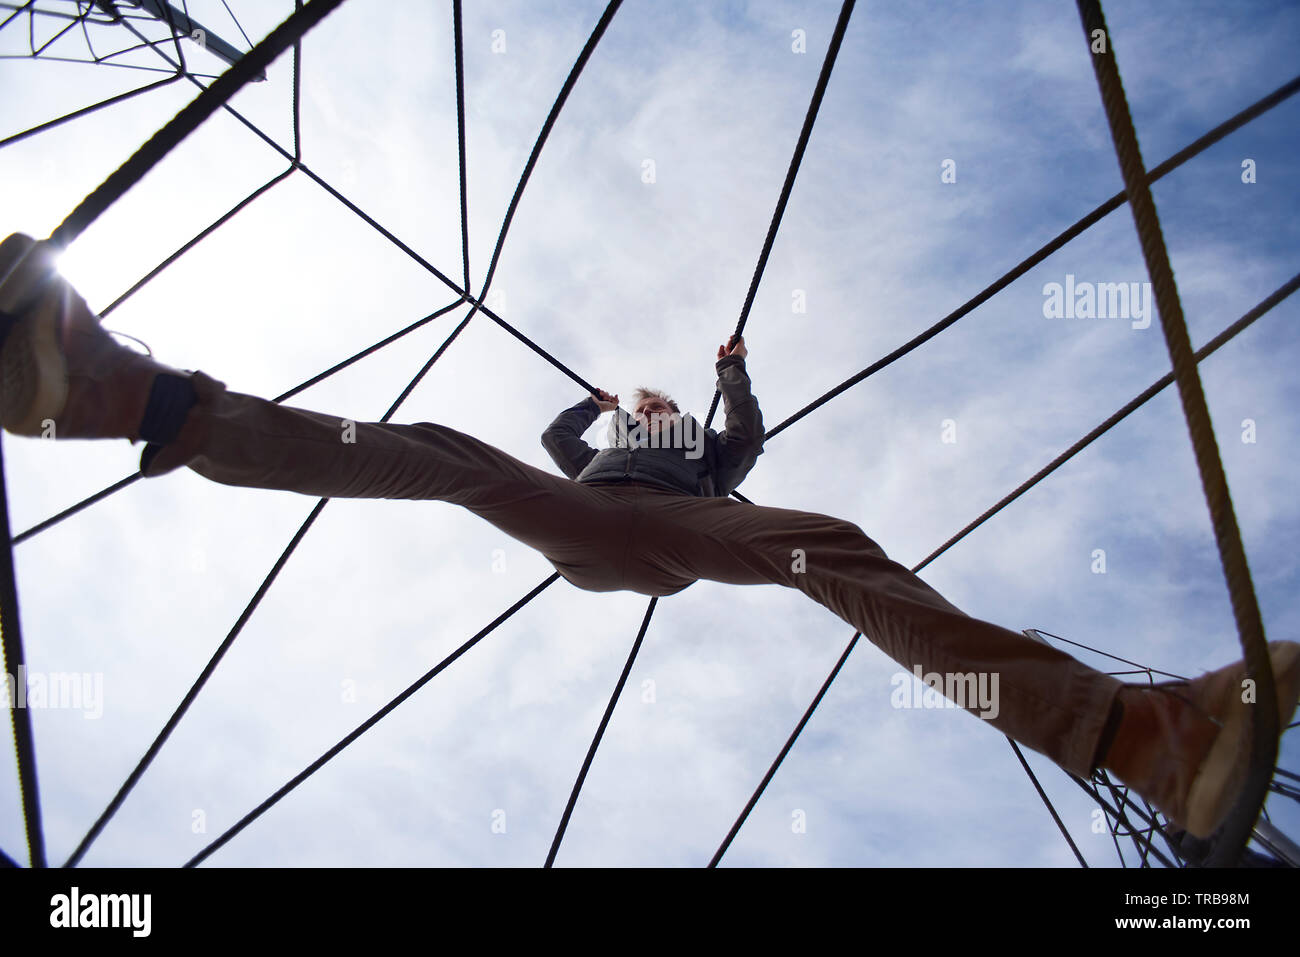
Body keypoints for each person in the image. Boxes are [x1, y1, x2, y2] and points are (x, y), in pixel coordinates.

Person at [1, 231, 1296, 843]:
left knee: (827, 542)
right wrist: (602, 408)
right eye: (652, 405)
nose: (658, 408)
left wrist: (727, 374)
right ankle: (141, 402)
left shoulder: (707, 452)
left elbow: (745, 438)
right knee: (447, 455)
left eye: (663, 407)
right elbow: (555, 435)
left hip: (677, 531)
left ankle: (1130, 734)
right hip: (591, 518)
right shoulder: (602, 442)